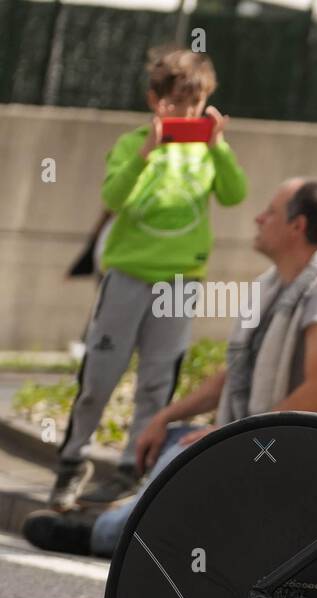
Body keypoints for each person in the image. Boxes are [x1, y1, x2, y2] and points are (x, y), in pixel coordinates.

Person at [23, 179, 317, 558]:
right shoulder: (275, 287)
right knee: (176, 438)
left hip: (309, 454)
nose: (258, 218)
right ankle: (137, 534)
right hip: (269, 441)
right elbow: (235, 372)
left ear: (296, 226)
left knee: (187, 454)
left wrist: (232, 435)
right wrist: (165, 415)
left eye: (269, 212)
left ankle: (107, 536)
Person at [49, 45, 248, 512]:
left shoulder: (209, 153)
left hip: (181, 281)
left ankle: (129, 469)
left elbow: (236, 193)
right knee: (100, 375)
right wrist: (145, 152)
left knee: (158, 381)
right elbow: (115, 198)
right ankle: (72, 460)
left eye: (194, 104)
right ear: (154, 100)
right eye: (175, 102)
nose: (185, 112)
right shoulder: (131, 145)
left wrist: (218, 147)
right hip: (127, 277)